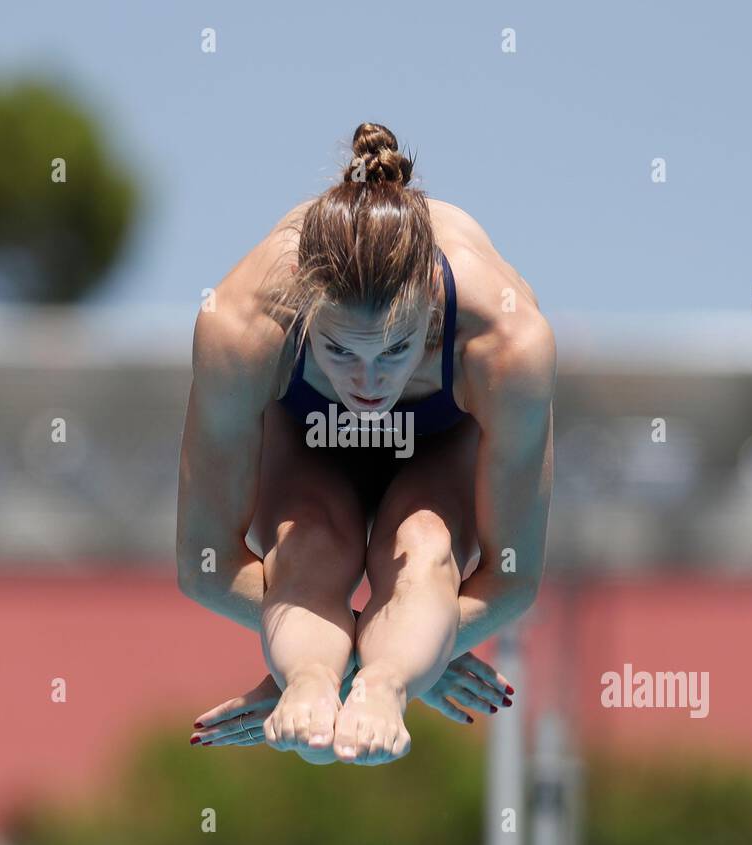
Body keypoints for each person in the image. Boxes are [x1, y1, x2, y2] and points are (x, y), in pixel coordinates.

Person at [177, 122, 554, 766]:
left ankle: (382, 692)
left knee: (426, 547)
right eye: (339, 352)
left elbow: (512, 579)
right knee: (310, 545)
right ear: (303, 315)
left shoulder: (505, 342)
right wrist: (345, 657)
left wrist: (394, 667)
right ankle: (311, 682)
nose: (369, 383)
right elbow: (205, 565)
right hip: (304, 440)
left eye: (397, 349)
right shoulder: (242, 326)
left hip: (441, 444)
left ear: (433, 314)